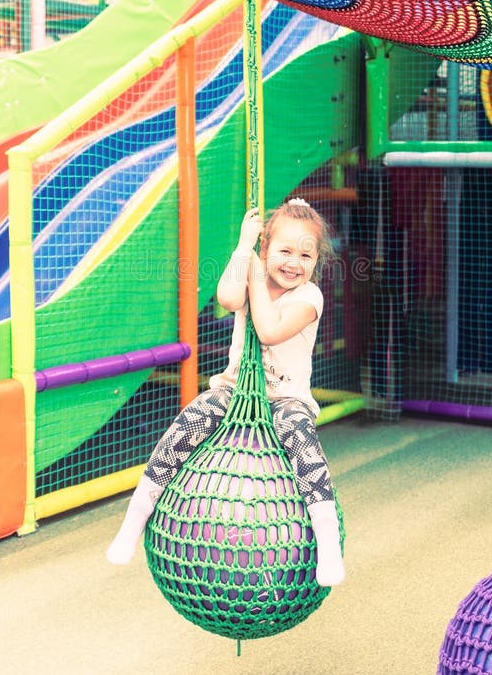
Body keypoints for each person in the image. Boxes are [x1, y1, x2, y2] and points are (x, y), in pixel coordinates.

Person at [106, 198, 345, 586]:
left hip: (285, 399)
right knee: (186, 425)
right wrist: (243, 248)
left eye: (306, 255)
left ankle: (328, 543)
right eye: (284, 251)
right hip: (234, 390)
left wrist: (256, 274)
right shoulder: (251, 269)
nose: (294, 263)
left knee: (303, 443)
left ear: (316, 261)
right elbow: (228, 299)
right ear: (265, 248)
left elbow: (269, 330)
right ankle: (133, 523)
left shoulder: (309, 297)